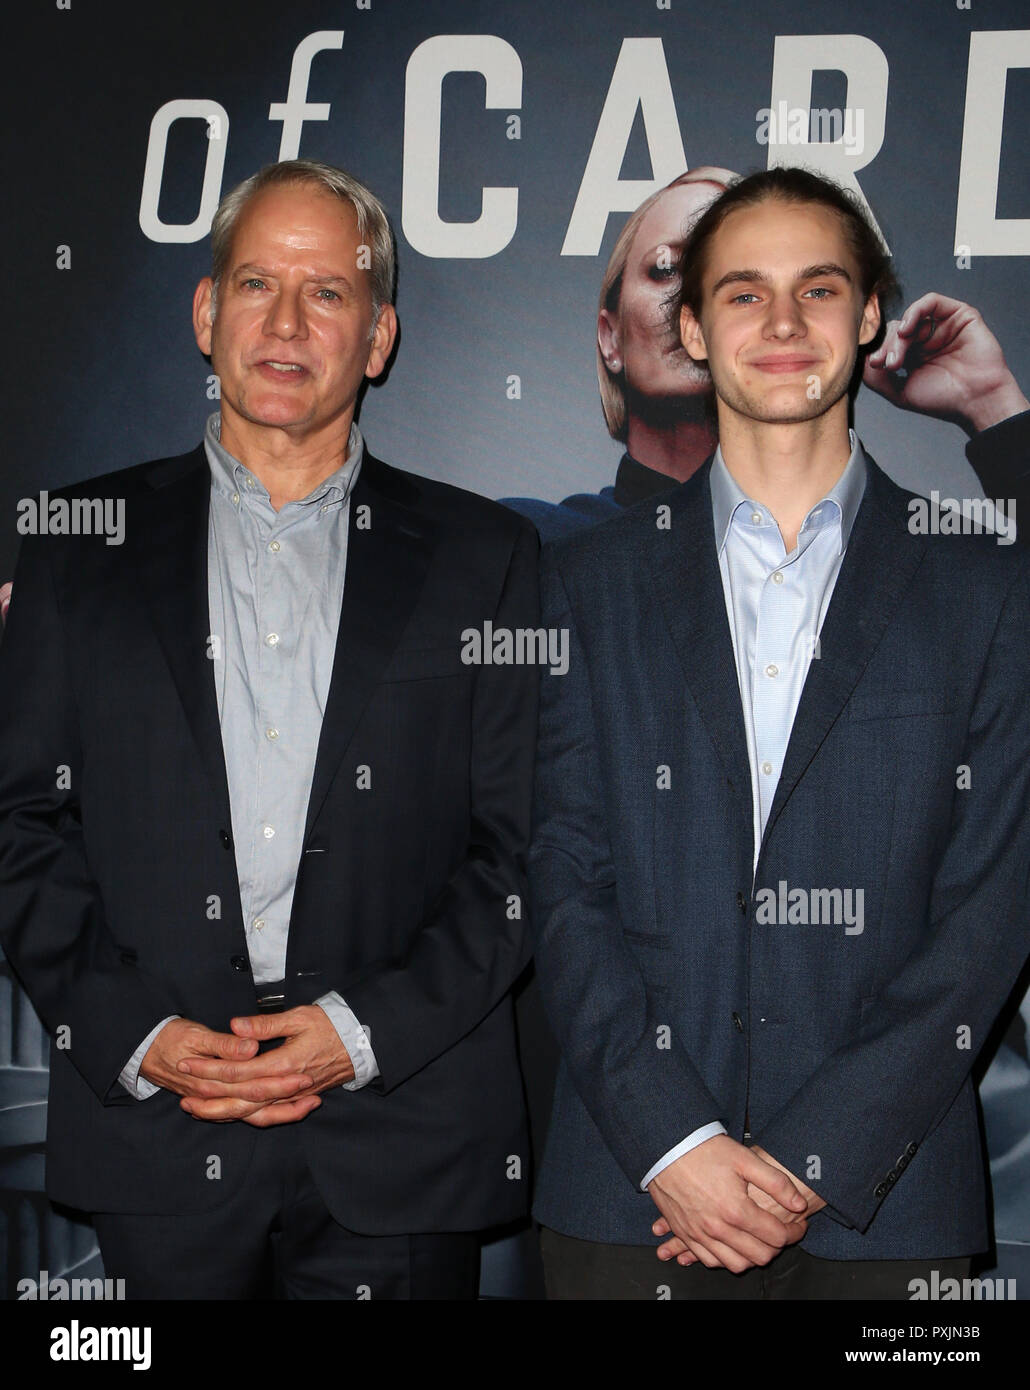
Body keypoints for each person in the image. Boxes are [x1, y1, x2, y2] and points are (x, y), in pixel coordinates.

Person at [0, 159, 539, 1300]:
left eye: (329, 292)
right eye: (256, 285)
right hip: (156, 1135)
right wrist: (137, 1032)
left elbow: (521, 850)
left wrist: (361, 1028)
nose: (287, 322)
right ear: (207, 313)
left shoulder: (486, 559)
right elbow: (22, 823)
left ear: (378, 336)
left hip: (403, 1131)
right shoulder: (71, 543)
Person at [528, 166, 1030, 1299]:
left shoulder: (988, 582)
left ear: (866, 319)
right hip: (631, 1195)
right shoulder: (581, 584)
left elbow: (991, 912)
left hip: (889, 1211)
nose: (785, 323)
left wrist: (813, 1158)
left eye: (818, 288)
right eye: (743, 294)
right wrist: (676, 1144)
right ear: (692, 328)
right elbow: (560, 878)